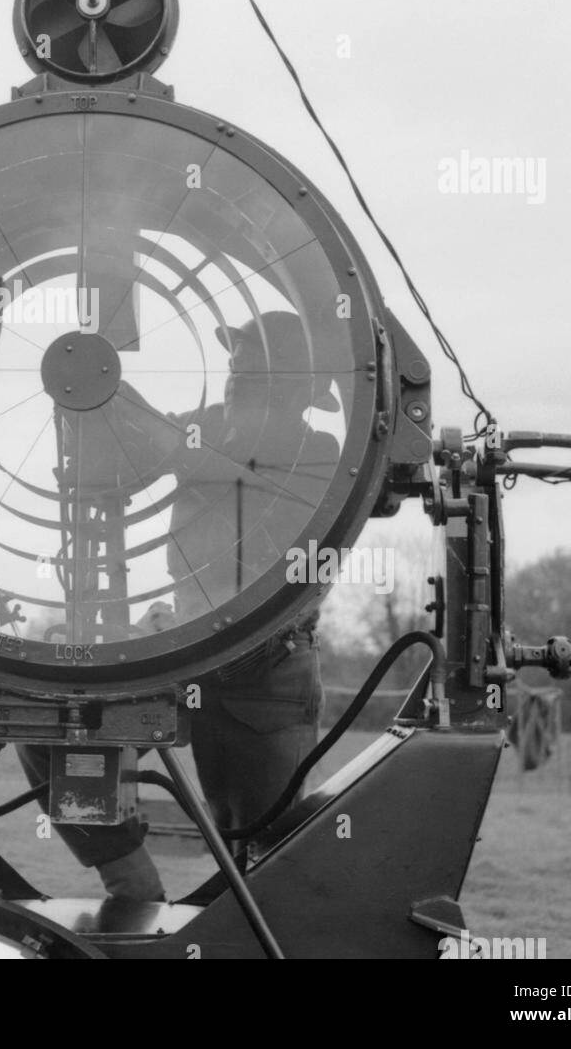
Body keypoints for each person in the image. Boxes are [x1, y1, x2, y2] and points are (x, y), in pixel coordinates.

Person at [18, 311, 338, 901]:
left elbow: (188, 451)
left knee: (265, 848)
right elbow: (128, 452)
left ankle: (241, 933)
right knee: (51, 722)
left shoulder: (317, 452)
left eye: (257, 366)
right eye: (236, 360)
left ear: (299, 387)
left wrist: (112, 394)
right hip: (178, 647)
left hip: (265, 667)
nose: (237, 373)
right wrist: (91, 394)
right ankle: (132, 889)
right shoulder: (202, 428)